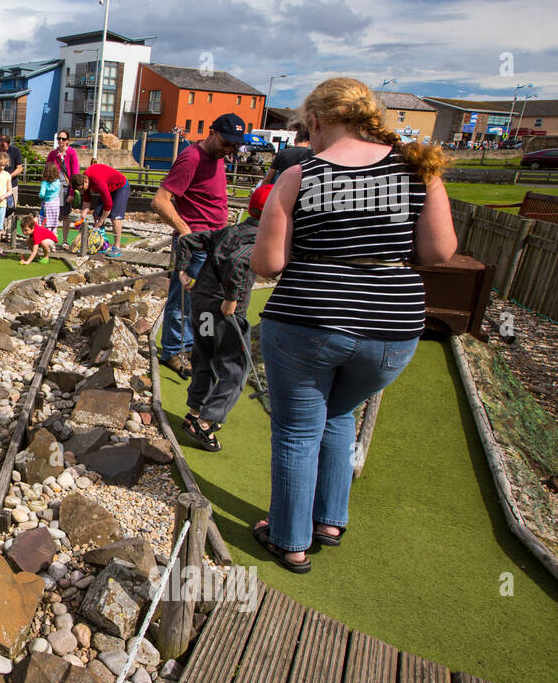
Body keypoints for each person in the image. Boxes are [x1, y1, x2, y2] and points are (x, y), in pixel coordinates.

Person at [248, 77, 457, 573]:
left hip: (309, 318)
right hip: (392, 326)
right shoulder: (415, 170)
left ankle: (289, 539)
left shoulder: (302, 175)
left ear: (317, 121)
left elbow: (268, 264)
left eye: (306, 127)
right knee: (340, 412)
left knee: (298, 431)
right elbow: (438, 252)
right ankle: (329, 520)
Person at [174, 182, 266, 452]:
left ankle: (194, 410)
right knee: (235, 368)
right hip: (224, 311)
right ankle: (205, 423)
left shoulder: (229, 230)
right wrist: (232, 296)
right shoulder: (259, 237)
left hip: (201, 302)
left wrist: (182, 271)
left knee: (204, 356)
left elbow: (187, 240)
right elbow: (239, 260)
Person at [151, 113, 245, 376]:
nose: (229, 150)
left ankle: (191, 346)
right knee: (182, 298)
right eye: (226, 143)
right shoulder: (191, 158)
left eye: (234, 146)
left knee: (204, 301)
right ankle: (173, 350)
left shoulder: (217, 158)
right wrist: (185, 230)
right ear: (212, 132)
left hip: (216, 242)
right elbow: (160, 200)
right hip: (196, 244)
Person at [70, 163, 129, 254]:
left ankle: (117, 247)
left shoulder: (98, 182)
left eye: (82, 189)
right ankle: (103, 242)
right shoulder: (84, 180)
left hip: (121, 187)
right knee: (96, 214)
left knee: (115, 217)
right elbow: (87, 200)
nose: (82, 191)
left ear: (85, 181)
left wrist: (101, 221)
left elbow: (108, 206)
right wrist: (83, 214)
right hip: (108, 188)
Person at [258, 122, 312, 187]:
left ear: (295, 141)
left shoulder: (282, 153)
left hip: (282, 188)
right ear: (309, 142)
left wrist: (261, 191)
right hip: (302, 189)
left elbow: (268, 177)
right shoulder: (312, 154)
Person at [38, 160, 62, 234]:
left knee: (47, 224)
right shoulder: (58, 181)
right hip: (56, 204)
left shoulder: (44, 183)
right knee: (54, 225)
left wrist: (40, 195)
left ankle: (47, 240)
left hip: (47, 204)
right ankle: (53, 241)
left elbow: (42, 194)